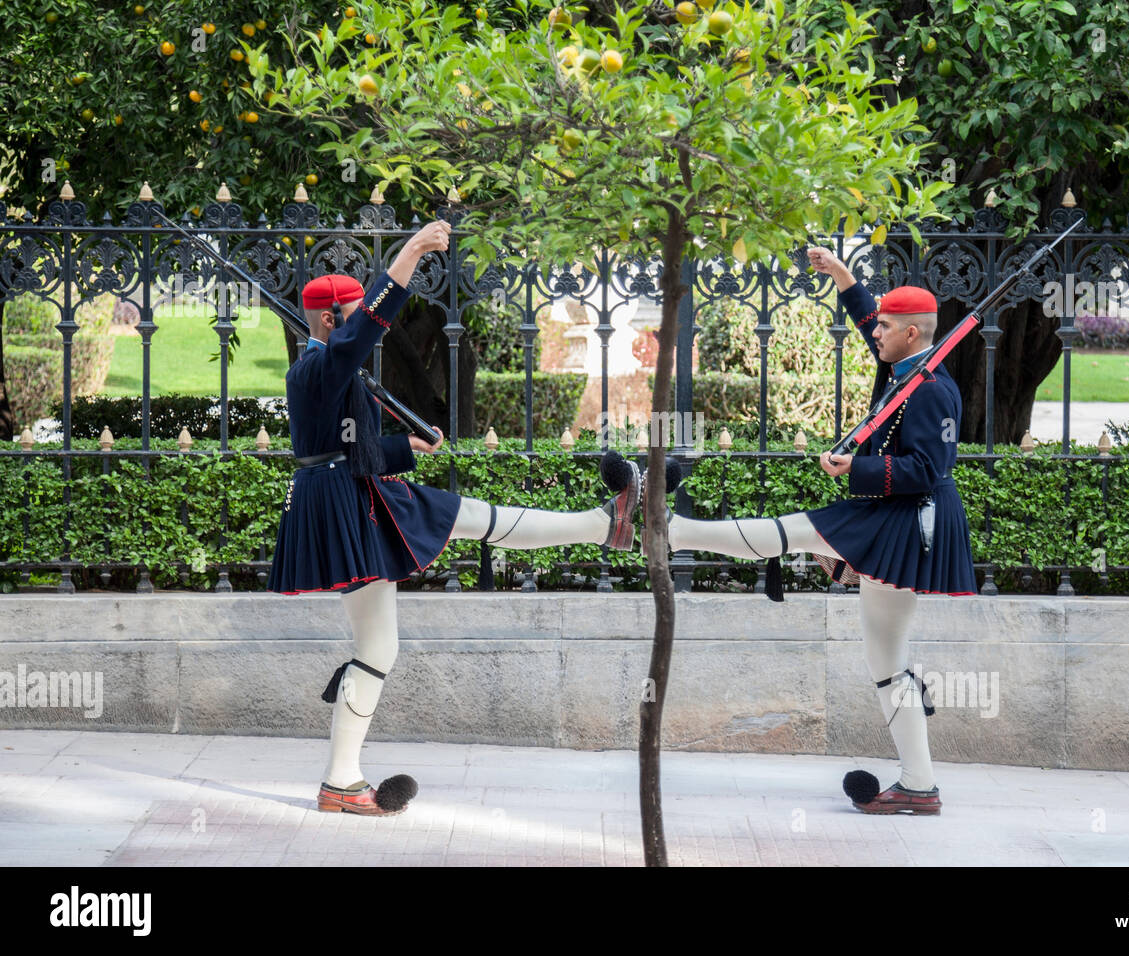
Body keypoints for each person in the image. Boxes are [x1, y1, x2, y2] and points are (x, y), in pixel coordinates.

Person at [267, 219, 643, 815]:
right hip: (347, 506)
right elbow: (367, 333)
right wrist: (412, 250)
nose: (364, 321)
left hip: (355, 491)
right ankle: (339, 782)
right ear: (332, 321)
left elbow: (338, 443)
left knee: (471, 523)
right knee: (380, 642)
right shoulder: (323, 363)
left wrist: (405, 448)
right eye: (354, 313)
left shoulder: (319, 367)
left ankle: (604, 523)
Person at [647, 246, 977, 815]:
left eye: (888, 328)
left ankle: (673, 531)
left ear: (915, 334)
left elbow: (931, 469)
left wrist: (859, 468)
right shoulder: (903, 365)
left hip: (907, 520)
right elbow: (866, 316)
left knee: (795, 532)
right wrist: (843, 275)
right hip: (890, 515)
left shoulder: (933, 388)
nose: (876, 334)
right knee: (886, 661)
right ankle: (919, 786)